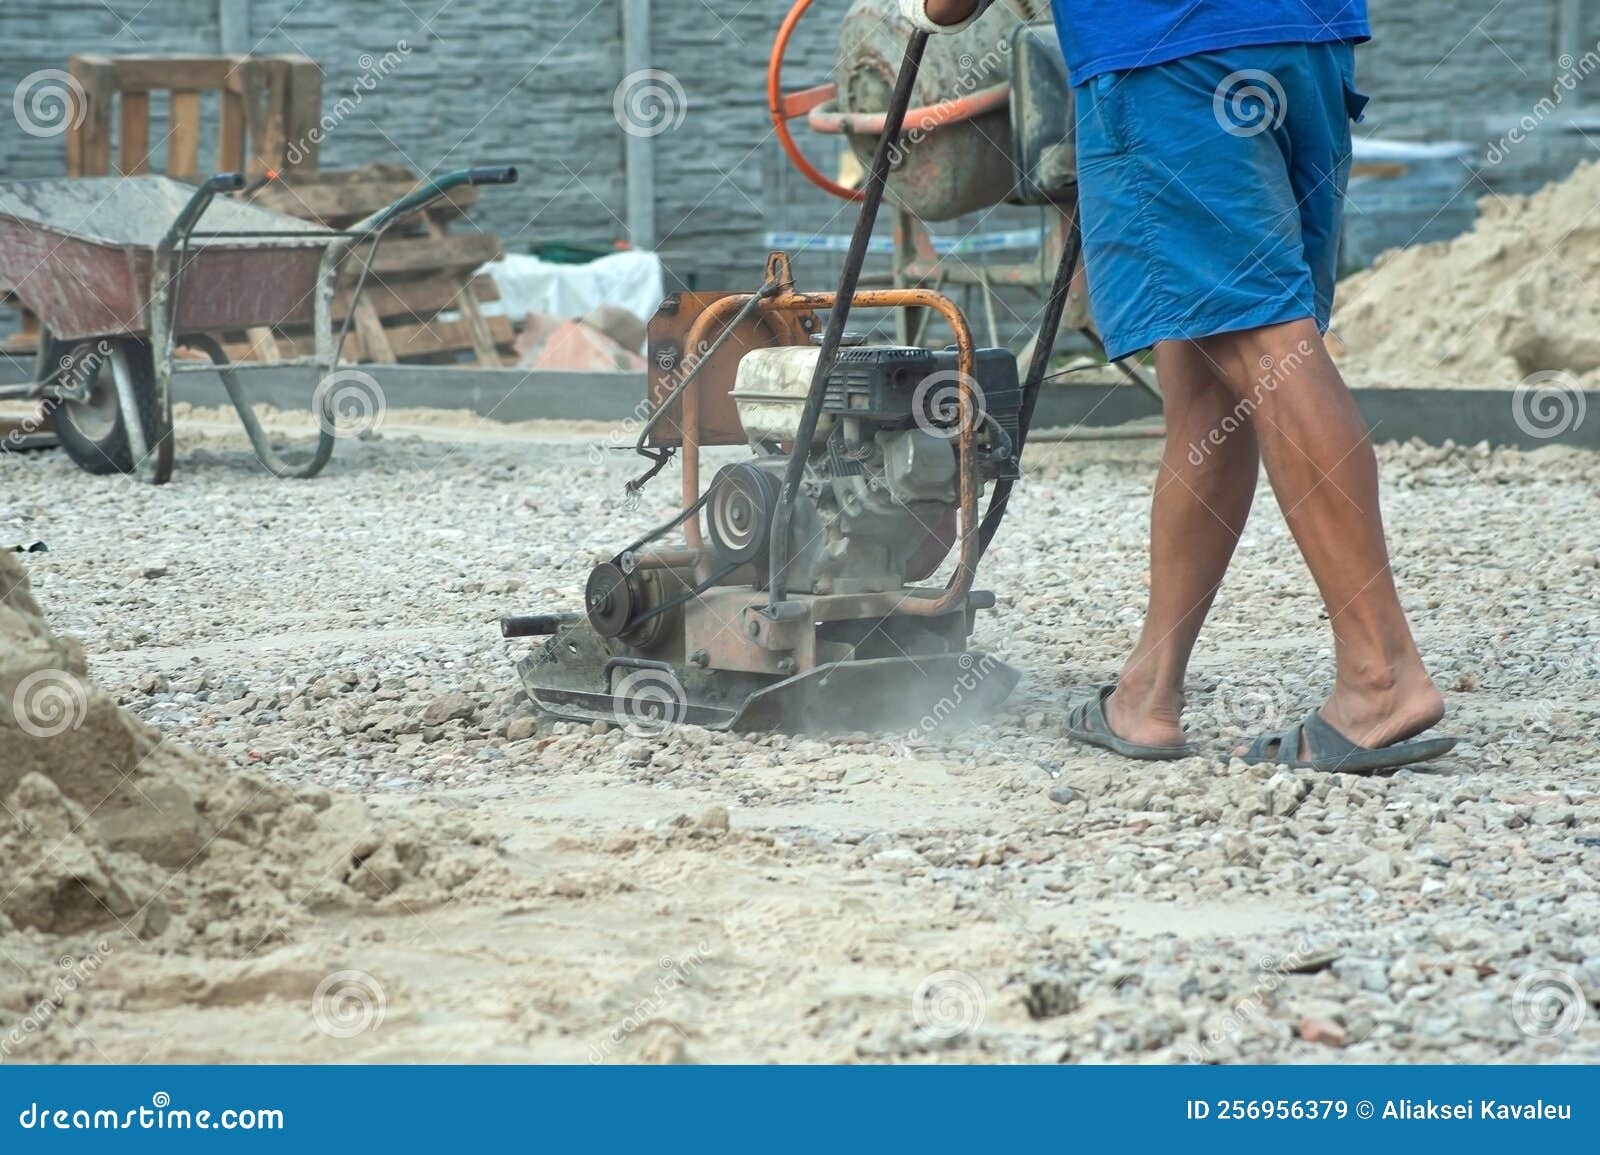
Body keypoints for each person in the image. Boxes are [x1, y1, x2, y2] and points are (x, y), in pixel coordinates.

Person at [898, 0, 1454, 771]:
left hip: (1167, 53)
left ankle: (1380, 674)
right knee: (1208, 380)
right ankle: (1148, 693)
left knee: (1263, 344)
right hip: (1303, 42)